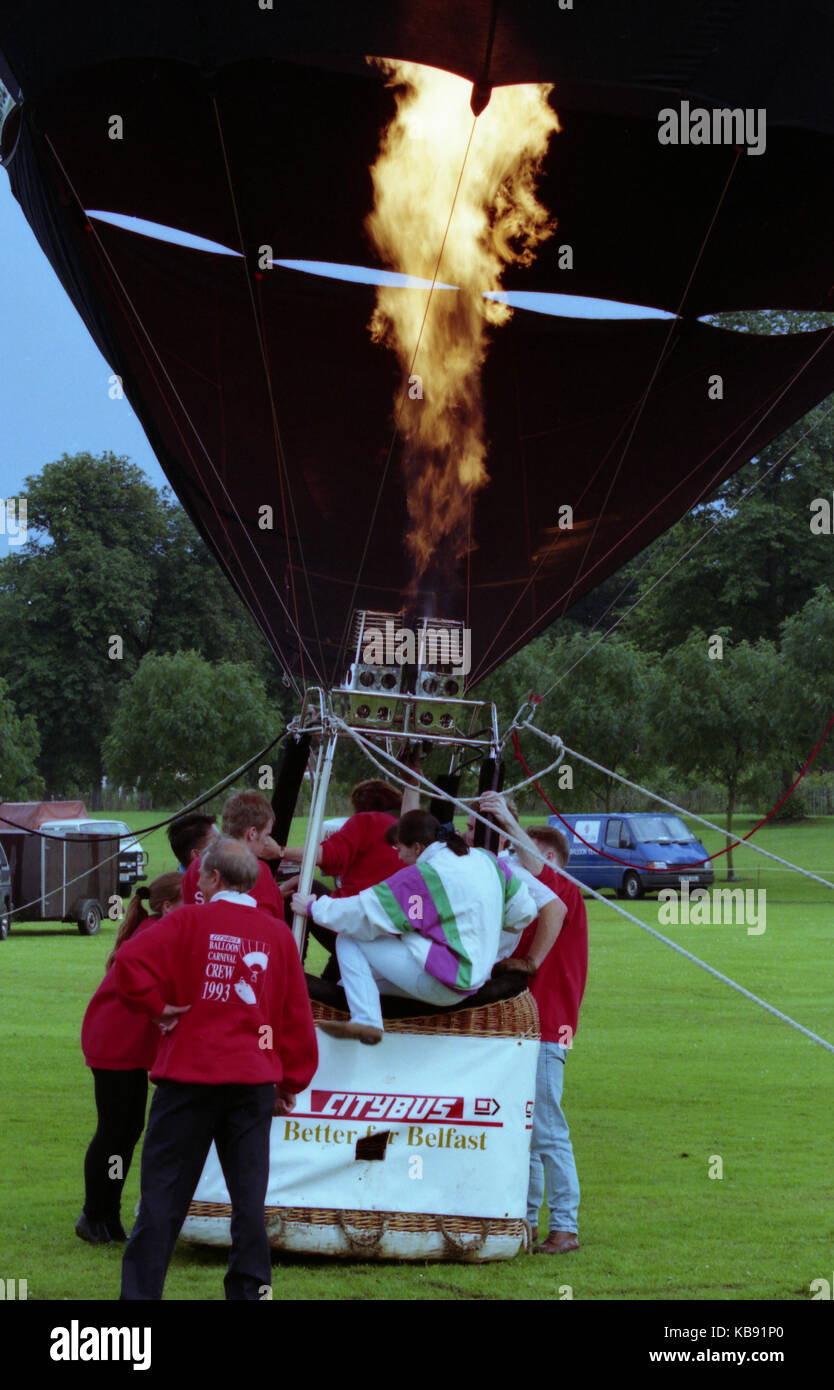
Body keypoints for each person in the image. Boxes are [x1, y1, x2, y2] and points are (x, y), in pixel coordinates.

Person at [115, 837, 318, 1300]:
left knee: (163, 1199)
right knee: (249, 1202)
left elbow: (130, 962)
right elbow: (289, 1016)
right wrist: (289, 1079)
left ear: (215, 878)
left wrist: (158, 1007)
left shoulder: (188, 919)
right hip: (251, 1081)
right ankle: (248, 1293)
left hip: (188, 1077)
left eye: (202, 875)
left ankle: (140, 1298)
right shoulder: (277, 935)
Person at [292, 809, 537, 1044]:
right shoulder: (487, 860)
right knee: (348, 983)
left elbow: (363, 913)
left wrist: (314, 907)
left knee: (348, 939)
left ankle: (367, 1022)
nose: (397, 856)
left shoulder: (424, 876)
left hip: (446, 980)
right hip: (473, 978)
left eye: (399, 848)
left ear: (418, 847)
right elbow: (524, 912)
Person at [482, 799, 588, 1255]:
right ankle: (526, 1222)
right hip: (526, 1028)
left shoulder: (566, 892)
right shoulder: (534, 906)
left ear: (546, 860)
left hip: (548, 1029)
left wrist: (507, 820)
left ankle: (564, 1225)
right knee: (527, 1132)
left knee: (546, 1128)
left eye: (519, 853)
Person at [78, 872, 183, 1245]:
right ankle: (95, 1213)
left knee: (125, 1132)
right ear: (169, 905)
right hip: (115, 1041)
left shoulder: (159, 929)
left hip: (128, 1042)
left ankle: (106, 1213)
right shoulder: (156, 933)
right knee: (114, 1132)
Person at [182, 790, 285, 921]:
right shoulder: (257, 870)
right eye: (267, 834)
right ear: (252, 833)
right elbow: (272, 924)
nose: (267, 842)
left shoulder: (195, 866)